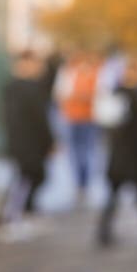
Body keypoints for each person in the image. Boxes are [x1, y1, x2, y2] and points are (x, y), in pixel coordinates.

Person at [96, 56, 137, 247]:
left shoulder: (126, 95)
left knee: (127, 195)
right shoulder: (126, 96)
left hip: (126, 155)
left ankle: (104, 230)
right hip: (128, 155)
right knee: (131, 195)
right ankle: (104, 231)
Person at [0, 50, 53, 242]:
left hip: (26, 143)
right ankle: (11, 220)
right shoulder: (25, 88)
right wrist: (49, 141)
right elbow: (39, 119)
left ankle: (28, 214)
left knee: (33, 178)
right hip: (26, 144)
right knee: (23, 181)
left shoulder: (15, 87)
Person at [53, 51, 100, 204]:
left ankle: (83, 180)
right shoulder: (68, 73)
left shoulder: (93, 74)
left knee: (85, 150)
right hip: (72, 117)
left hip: (87, 117)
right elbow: (60, 95)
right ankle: (79, 180)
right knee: (76, 150)